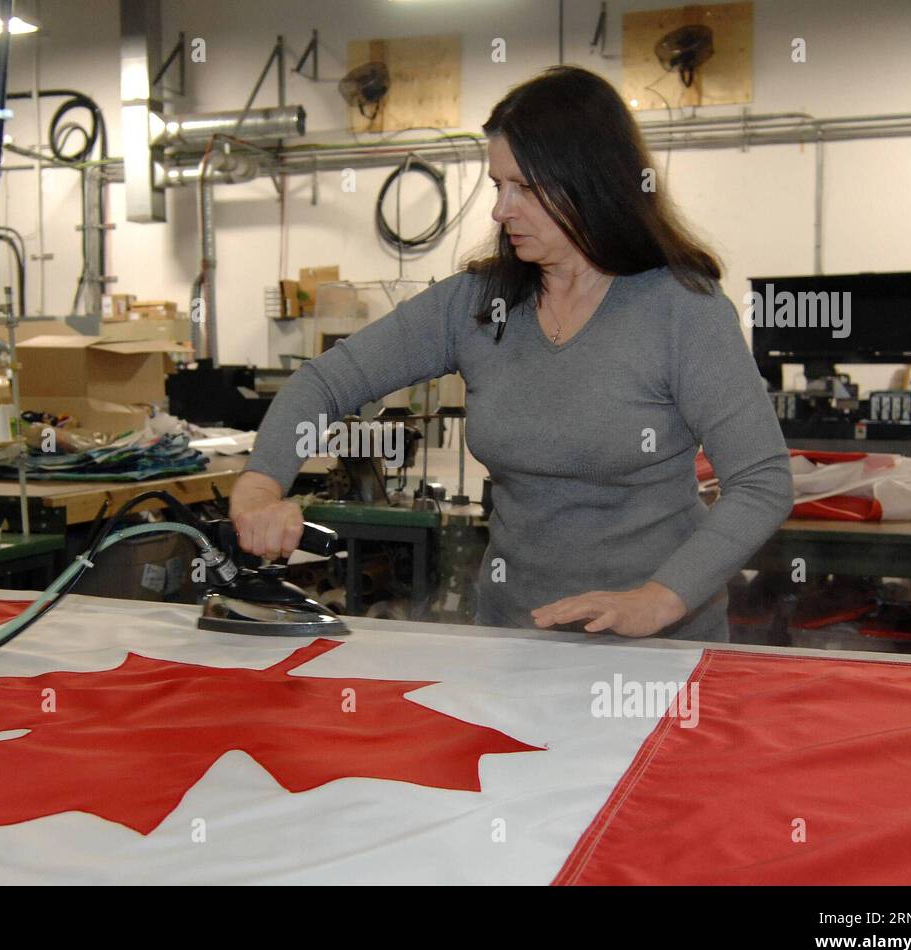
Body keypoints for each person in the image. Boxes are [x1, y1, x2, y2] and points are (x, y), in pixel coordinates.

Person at [228, 65, 794, 642]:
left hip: (657, 652)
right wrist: (259, 486)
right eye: (499, 186)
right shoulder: (475, 305)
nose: (501, 210)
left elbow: (761, 481)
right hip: (514, 638)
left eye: (524, 187)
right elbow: (325, 381)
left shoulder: (681, 310)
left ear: (591, 181)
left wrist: (659, 599)